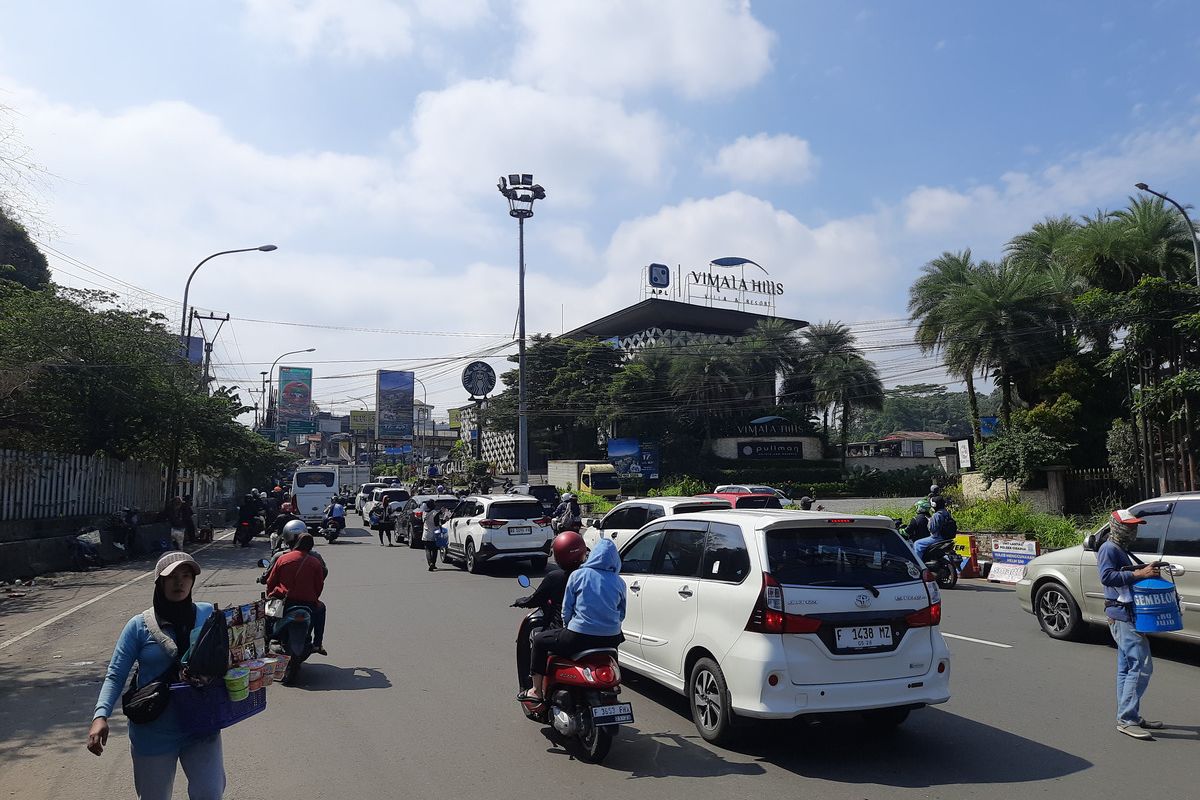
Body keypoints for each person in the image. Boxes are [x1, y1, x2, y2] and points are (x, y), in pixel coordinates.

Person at [87, 552, 226, 799]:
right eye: (171, 577)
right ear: (159, 583)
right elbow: (115, 674)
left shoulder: (208, 615)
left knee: (210, 793)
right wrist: (101, 716)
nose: (179, 582)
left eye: (186, 575)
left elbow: (230, 656)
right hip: (154, 732)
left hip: (202, 726)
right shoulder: (138, 626)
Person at [524, 537, 626, 704]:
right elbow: (621, 613)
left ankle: (536, 691)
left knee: (539, 641)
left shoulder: (578, 575)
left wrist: (568, 627)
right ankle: (612, 688)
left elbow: (567, 609)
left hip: (579, 636)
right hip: (611, 639)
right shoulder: (619, 582)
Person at [1098, 509, 1163, 739]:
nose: (1133, 530)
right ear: (1117, 528)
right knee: (1142, 665)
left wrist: (1144, 570)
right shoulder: (1108, 549)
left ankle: (1130, 716)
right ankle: (1126, 719)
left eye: (1135, 526)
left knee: (1127, 669)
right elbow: (1107, 577)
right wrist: (1140, 574)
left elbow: (1121, 573)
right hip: (1121, 615)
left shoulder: (1120, 549)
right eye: (1129, 526)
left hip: (1125, 614)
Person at [513, 531, 589, 694]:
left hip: (571, 632)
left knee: (539, 640)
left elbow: (537, 599)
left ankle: (536, 690)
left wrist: (522, 601)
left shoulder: (556, 577)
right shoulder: (594, 576)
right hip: (607, 636)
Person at [265, 533, 328, 656]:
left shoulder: (282, 559)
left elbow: (270, 581)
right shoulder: (315, 562)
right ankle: (317, 643)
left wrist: (270, 595)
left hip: (283, 602)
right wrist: (314, 599)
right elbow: (319, 585)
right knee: (321, 608)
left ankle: (269, 639)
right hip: (308, 603)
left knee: (267, 614)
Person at [913, 496, 957, 562]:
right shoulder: (947, 513)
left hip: (937, 537)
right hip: (947, 538)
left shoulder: (936, 515)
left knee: (917, 544)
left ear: (934, 505)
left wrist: (929, 522)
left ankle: (919, 565)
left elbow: (932, 529)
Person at [421, 499, 445, 570]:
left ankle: (430, 563)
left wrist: (439, 512)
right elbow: (437, 524)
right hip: (434, 535)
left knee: (427, 550)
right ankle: (433, 563)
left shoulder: (424, 513)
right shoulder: (435, 513)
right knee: (434, 550)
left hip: (426, 534)